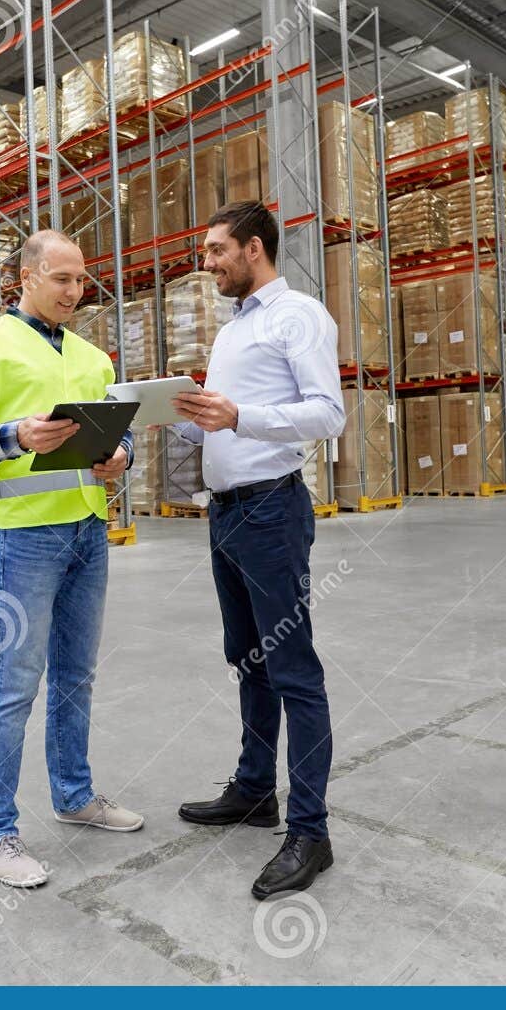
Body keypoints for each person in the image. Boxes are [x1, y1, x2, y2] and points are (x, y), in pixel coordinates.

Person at [0, 230, 143, 888]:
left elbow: (122, 432)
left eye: (81, 280)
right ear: (25, 276)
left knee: (76, 675)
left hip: (87, 529)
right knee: (14, 684)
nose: (74, 291)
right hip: (23, 536)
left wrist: (122, 458)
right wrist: (17, 434)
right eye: (61, 278)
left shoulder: (93, 357)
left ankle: (74, 795)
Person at [170, 201, 346, 899]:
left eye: (216, 249)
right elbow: (224, 426)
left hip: (272, 509)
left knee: (293, 669)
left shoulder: (297, 315)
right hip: (227, 513)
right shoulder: (235, 329)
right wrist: (181, 414)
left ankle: (310, 829)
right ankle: (253, 788)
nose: (206, 261)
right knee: (247, 659)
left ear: (252, 247)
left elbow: (328, 412)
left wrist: (238, 413)